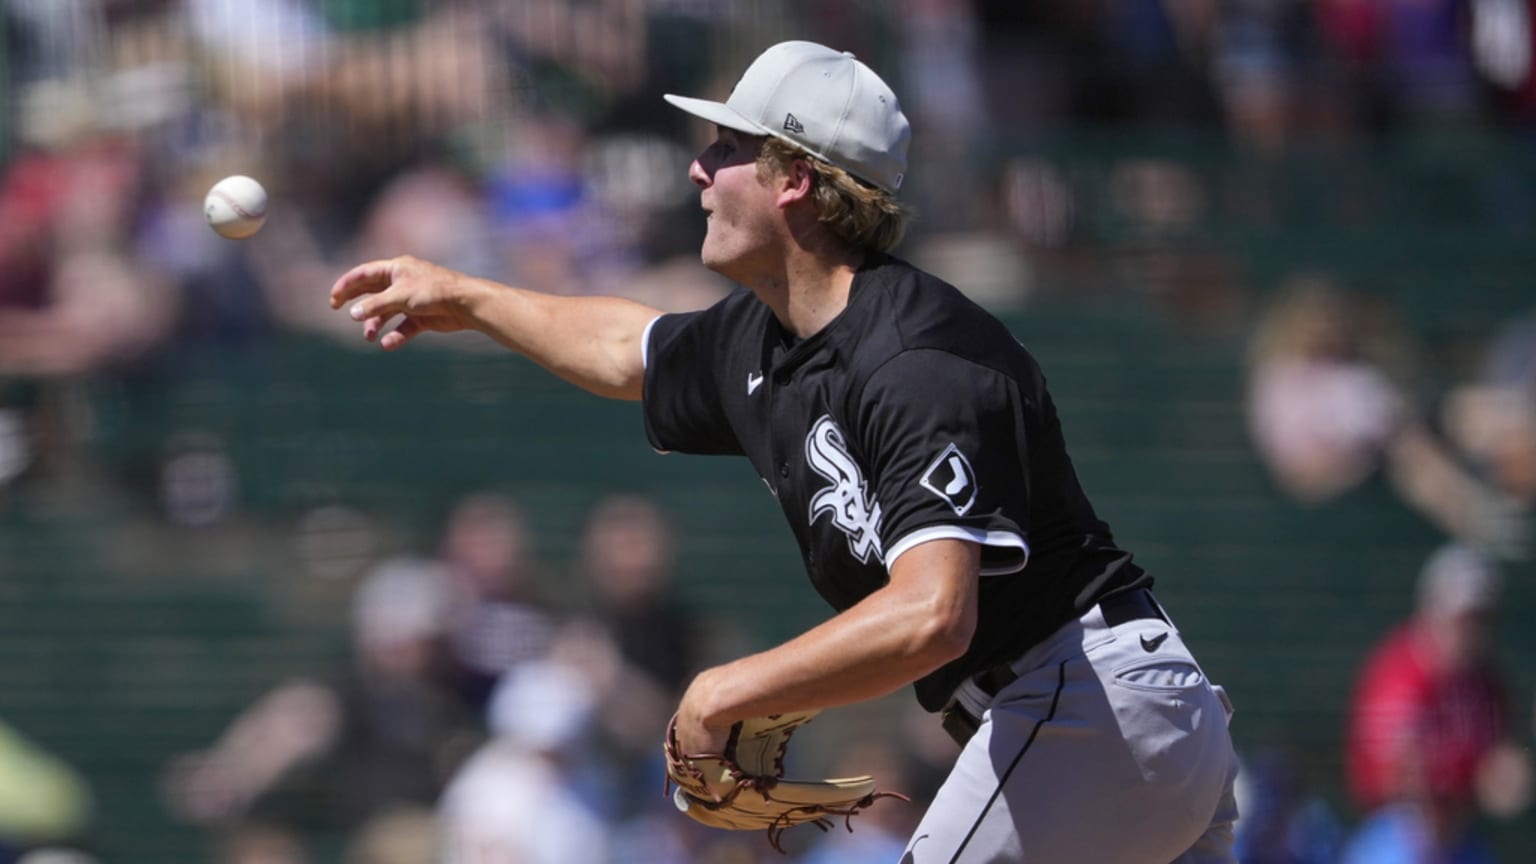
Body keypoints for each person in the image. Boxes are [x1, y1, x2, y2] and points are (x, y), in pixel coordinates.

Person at [330, 39, 1239, 862]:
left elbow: (934, 616)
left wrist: (729, 690)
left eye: (726, 151)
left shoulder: (916, 359)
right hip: (1085, 720)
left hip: (1090, 703)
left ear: (794, 177)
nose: (698, 170)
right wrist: (469, 297)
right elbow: (624, 350)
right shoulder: (766, 339)